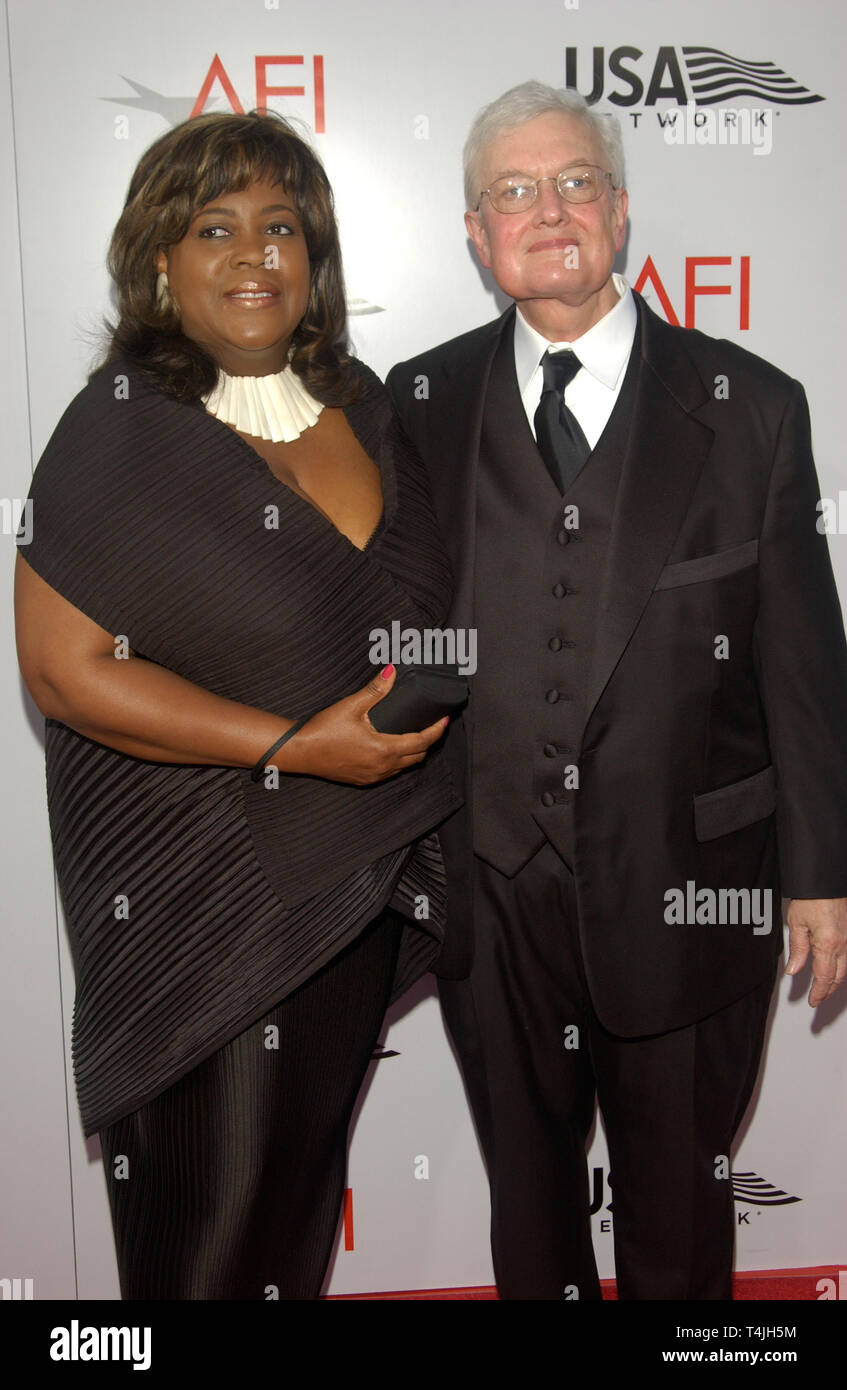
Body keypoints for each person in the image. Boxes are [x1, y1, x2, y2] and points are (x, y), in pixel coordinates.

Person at [387, 80, 847, 1300]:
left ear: (622, 212)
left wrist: (820, 873)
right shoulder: (414, 405)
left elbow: (804, 663)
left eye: (575, 181)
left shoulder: (749, 406)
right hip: (494, 900)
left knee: (678, 1223)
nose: (548, 210)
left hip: (693, 890)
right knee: (529, 1217)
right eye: (514, 192)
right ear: (476, 235)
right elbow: (404, 637)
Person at [14, 110, 461, 1300]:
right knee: (202, 1258)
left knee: (289, 1237)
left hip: (349, 895)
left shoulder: (366, 408)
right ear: (159, 260)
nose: (253, 253)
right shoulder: (118, 432)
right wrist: (290, 746)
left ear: (314, 257)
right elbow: (65, 670)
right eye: (214, 227)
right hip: (195, 913)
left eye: (280, 226)